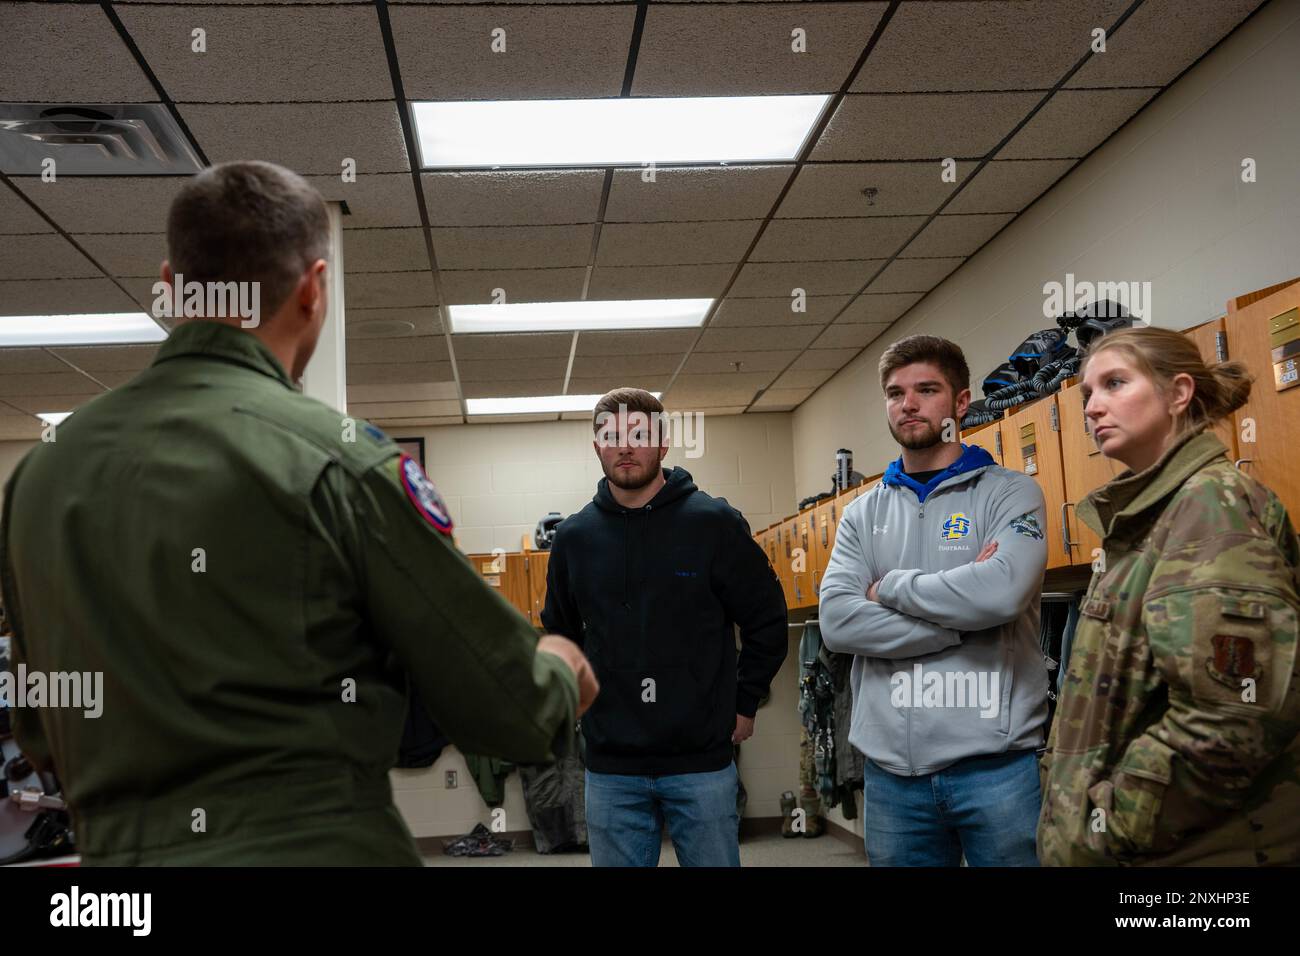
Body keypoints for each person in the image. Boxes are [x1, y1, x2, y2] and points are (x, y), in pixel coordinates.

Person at [0, 161, 598, 866]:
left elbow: (37, 732)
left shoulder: (42, 475)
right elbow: (513, 711)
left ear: (169, 286)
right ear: (314, 290)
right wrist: (558, 669)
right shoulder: (340, 463)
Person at [1037, 326, 1300, 866]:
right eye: (1087, 394)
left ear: (1179, 393)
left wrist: (1112, 822)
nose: (1092, 408)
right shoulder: (1153, 515)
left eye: (1114, 384)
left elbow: (1237, 714)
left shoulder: (1209, 508)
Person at [820, 334, 1049, 866]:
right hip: (893, 778)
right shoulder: (860, 514)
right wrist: (959, 624)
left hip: (996, 768)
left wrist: (890, 589)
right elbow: (837, 623)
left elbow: (1002, 594)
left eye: (927, 389)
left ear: (961, 402)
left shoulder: (1010, 493)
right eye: (896, 392)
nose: (909, 403)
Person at [541, 388, 787, 866]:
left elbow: (767, 618)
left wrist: (745, 701)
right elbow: (559, 636)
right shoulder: (574, 537)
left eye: (639, 434)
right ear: (597, 447)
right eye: (611, 436)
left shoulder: (713, 523)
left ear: (663, 443)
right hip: (611, 767)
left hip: (701, 762)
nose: (625, 446)